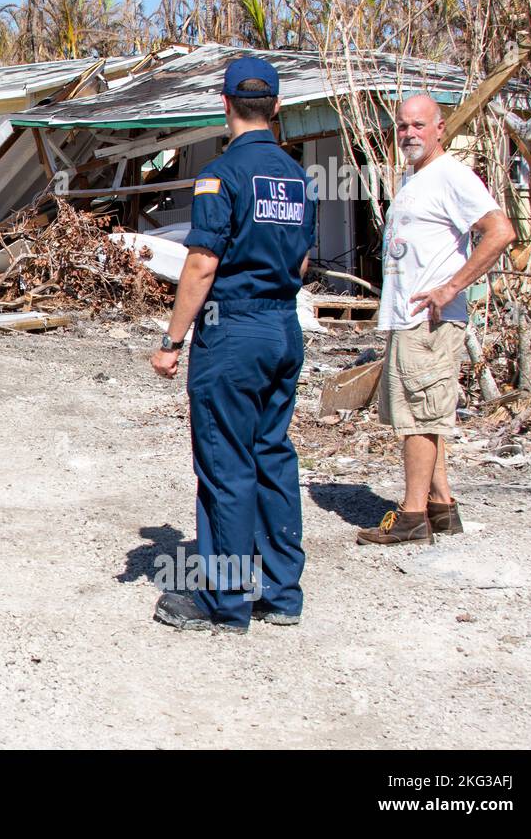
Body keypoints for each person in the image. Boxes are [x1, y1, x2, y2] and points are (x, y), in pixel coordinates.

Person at [149, 57, 317, 633]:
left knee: (225, 461)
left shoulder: (220, 176)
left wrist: (173, 340)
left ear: (225, 105)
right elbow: (301, 259)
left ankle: (223, 602)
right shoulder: (299, 179)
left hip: (233, 330)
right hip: (282, 327)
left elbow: (201, 263)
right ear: (274, 107)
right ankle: (282, 592)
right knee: (272, 453)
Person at [356, 94, 514, 545]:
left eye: (419, 125)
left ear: (440, 128)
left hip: (431, 320)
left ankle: (411, 516)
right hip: (408, 318)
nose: (409, 134)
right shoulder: (414, 177)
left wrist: (451, 286)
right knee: (427, 413)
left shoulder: (451, 175)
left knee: (418, 419)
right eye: (402, 126)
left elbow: (501, 230)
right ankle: (442, 506)